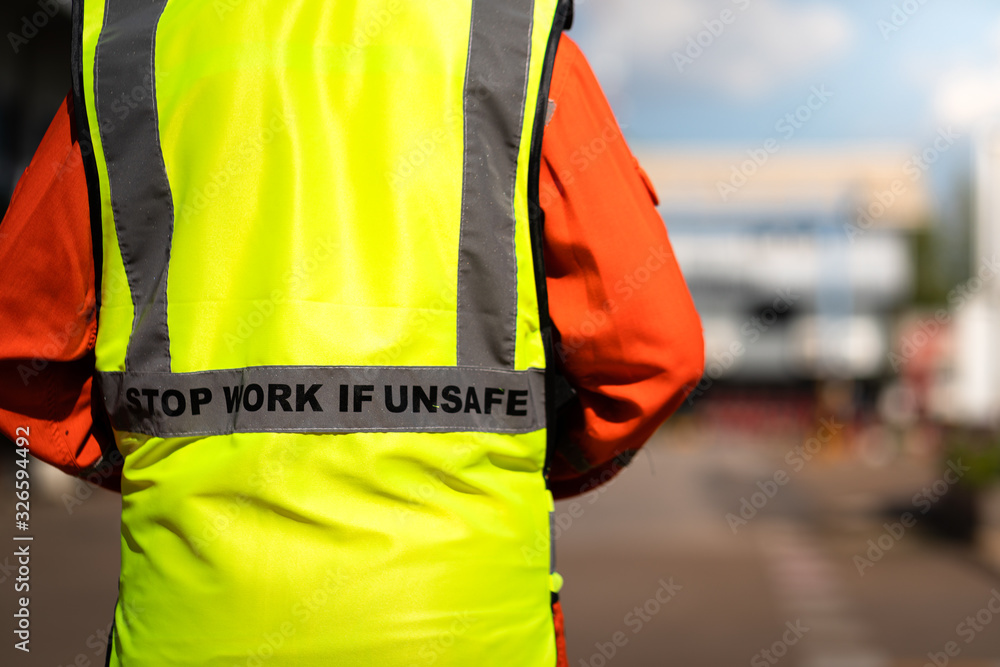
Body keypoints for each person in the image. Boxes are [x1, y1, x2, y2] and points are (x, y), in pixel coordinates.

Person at [0, 0, 703, 664]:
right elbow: (654, 351)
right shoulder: (508, 37)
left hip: (192, 632)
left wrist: (155, 448)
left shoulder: (133, 44)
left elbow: (19, 345)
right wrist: (529, 456)